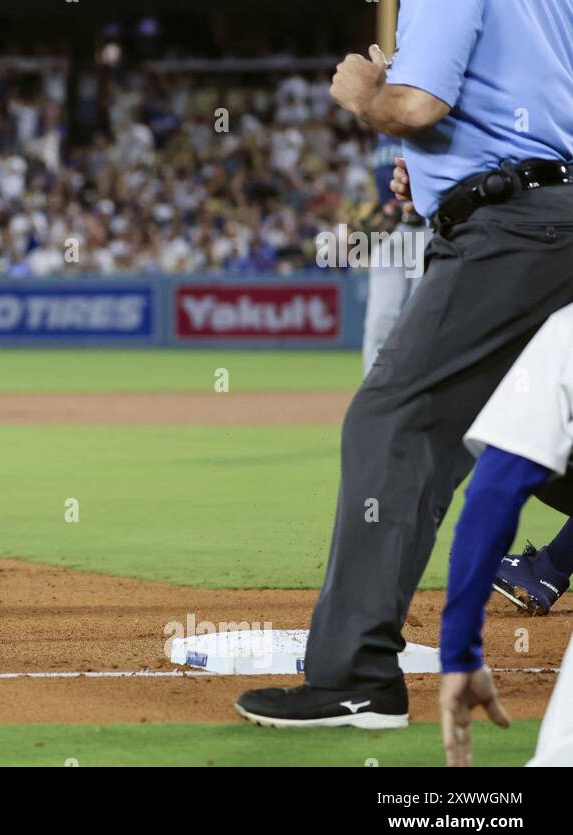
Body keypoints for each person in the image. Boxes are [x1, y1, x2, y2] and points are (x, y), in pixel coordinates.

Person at [237, 0, 573, 728]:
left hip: (509, 237)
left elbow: (416, 103)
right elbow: (530, 121)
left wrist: (363, 90)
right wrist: (441, 173)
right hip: (551, 221)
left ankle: (354, 677)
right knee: (546, 438)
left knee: (393, 421)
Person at [437, 305, 573, 766]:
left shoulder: (564, 330)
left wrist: (459, 654)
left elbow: (495, 490)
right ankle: (548, 567)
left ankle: (547, 568)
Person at [361, 133, 429, 376]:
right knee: (379, 321)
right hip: (389, 232)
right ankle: (372, 396)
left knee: (422, 319)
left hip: (429, 229)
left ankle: (418, 389)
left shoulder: (427, 116)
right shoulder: (381, 131)